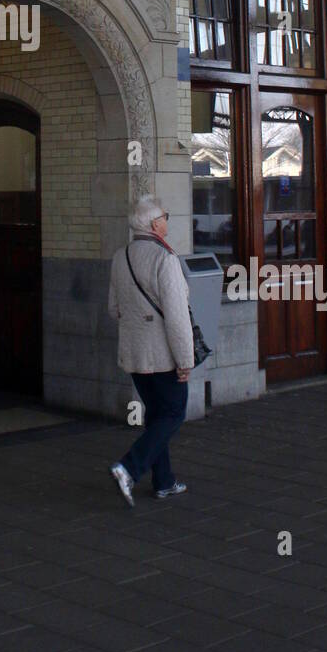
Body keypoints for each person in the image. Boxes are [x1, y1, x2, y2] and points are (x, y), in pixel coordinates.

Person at [108, 195, 194, 507]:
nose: (168, 221)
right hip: (162, 356)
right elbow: (177, 316)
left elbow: (113, 308)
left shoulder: (122, 256)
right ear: (154, 223)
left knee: (157, 414)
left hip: (134, 353)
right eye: (166, 216)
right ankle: (129, 467)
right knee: (174, 412)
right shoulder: (165, 259)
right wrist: (185, 360)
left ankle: (165, 481)